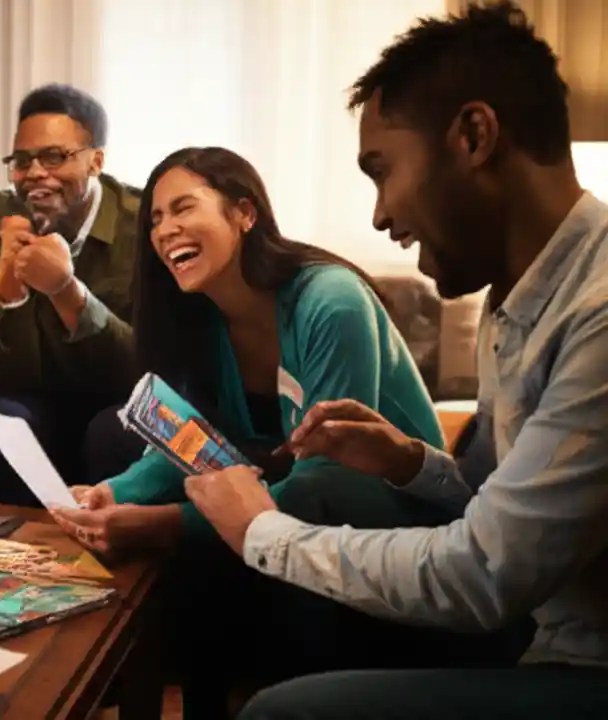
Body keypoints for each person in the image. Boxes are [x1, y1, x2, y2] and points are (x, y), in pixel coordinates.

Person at [183, 3, 608, 718]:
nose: (380, 215)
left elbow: (484, 571)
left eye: (383, 172)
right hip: (539, 614)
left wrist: (262, 533)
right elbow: (508, 509)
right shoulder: (515, 296)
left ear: (474, 136)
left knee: (280, 714)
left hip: (585, 660)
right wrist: (411, 462)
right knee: (324, 496)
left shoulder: (597, 314)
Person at [48, 146, 469, 716]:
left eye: (183, 208)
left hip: (395, 511)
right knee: (150, 490)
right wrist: (112, 494)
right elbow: (191, 444)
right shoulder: (203, 317)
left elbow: (323, 481)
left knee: (262, 511)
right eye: (156, 219)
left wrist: (165, 523)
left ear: (245, 213)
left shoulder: (330, 300)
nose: (165, 230)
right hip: (296, 497)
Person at [0, 84, 144, 504]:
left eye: (53, 157)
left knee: (114, 431)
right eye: (22, 161)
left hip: (118, 395)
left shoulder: (142, 224)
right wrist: (8, 293)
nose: (34, 174)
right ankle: (9, 541)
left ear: (96, 161)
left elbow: (146, 370)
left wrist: (67, 292)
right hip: (41, 391)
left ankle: (108, 544)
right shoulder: (5, 213)